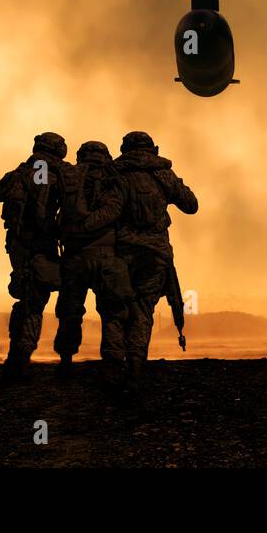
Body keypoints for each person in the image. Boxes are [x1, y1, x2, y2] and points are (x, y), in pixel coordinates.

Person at [113, 131, 197, 388]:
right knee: (142, 310)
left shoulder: (115, 173)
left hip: (122, 253)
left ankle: (115, 365)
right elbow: (191, 204)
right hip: (155, 254)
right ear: (153, 149)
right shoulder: (162, 173)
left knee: (117, 309)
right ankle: (136, 365)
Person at [53, 141, 135, 383]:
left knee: (70, 312)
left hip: (74, 255)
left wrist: (73, 228)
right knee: (113, 312)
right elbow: (123, 212)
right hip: (107, 256)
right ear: (105, 156)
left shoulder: (67, 176)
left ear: (80, 156)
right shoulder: (115, 176)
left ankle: (66, 361)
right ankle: (111, 364)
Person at [0, 132, 70, 383]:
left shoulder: (23, 173)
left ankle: (17, 354)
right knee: (36, 301)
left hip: (18, 247)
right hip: (41, 246)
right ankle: (21, 355)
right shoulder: (58, 175)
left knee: (27, 298)